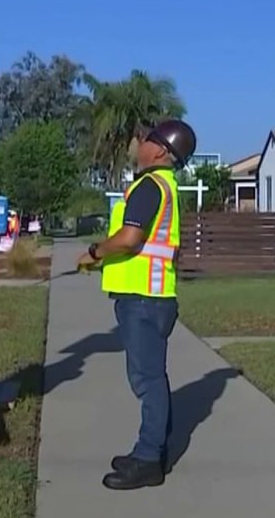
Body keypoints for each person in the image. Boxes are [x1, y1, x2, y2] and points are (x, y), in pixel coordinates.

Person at [76, 119, 197, 491]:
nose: (138, 143)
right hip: (151, 295)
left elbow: (130, 238)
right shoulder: (165, 186)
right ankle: (153, 450)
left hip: (143, 297)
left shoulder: (149, 186)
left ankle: (148, 460)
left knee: (147, 380)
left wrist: (95, 252)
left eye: (145, 139)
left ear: (159, 151)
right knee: (151, 377)